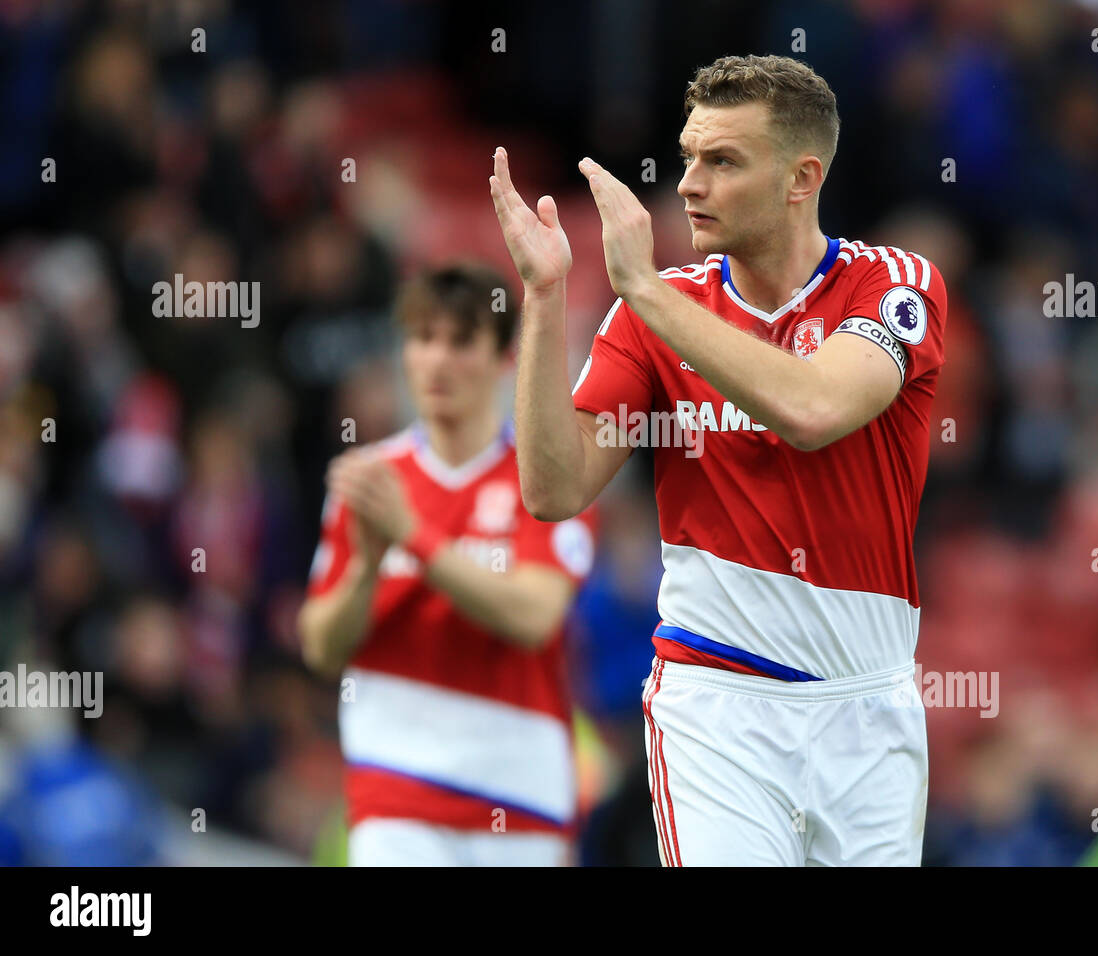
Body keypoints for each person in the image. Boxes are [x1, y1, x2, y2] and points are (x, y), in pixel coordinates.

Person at [491, 53, 946, 865]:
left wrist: (647, 291)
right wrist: (545, 296)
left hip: (870, 707)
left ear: (801, 178)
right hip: (718, 702)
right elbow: (554, 490)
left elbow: (815, 408)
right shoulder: (652, 315)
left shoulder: (893, 286)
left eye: (723, 161)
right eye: (689, 157)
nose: (691, 183)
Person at [297, 264, 597, 866]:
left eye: (461, 341)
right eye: (422, 338)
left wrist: (412, 537)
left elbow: (534, 615)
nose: (438, 360)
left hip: (520, 796)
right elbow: (322, 649)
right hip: (396, 788)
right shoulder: (369, 482)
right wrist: (365, 568)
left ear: (503, 358)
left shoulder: (544, 480)